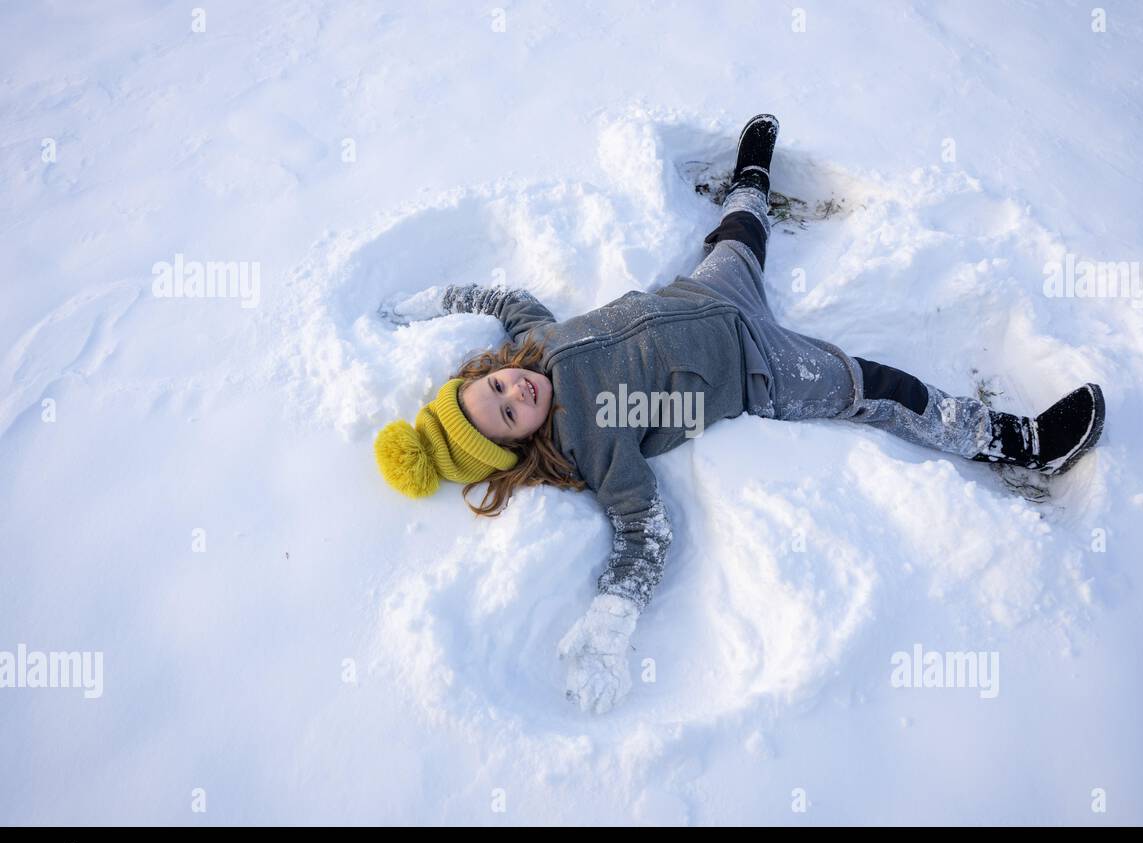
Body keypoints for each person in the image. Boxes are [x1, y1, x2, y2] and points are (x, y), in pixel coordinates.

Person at [373, 114, 1106, 714]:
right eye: (505, 417)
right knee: (877, 387)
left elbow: (499, 300)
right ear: (516, 451)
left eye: (495, 387)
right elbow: (642, 530)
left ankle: (750, 182)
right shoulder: (590, 446)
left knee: (738, 239)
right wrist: (611, 617)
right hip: (759, 366)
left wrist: (428, 306)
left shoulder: (535, 347)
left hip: (706, 298)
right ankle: (1018, 440)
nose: (513, 395)